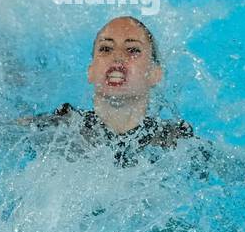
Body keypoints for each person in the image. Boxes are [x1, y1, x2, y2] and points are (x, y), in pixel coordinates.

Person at [21, 16, 195, 167]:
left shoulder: (175, 143)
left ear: (155, 74)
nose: (117, 56)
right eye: (106, 49)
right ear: (91, 71)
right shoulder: (61, 128)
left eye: (133, 50)